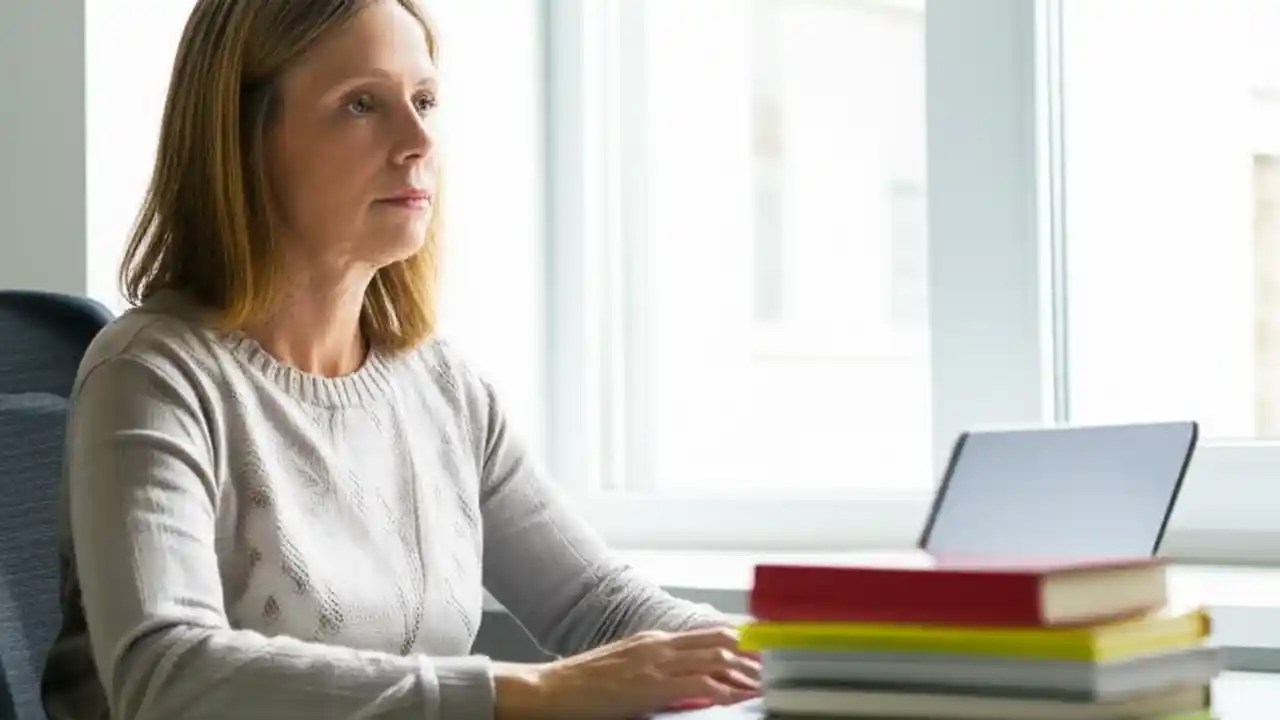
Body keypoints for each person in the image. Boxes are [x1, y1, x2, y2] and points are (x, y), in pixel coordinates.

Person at [38, 1, 761, 718]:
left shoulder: (441, 386)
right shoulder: (150, 375)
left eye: (424, 101)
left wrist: (815, 659)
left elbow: (599, 607)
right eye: (361, 105)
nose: (418, 140)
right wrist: (537, 690)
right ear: (243, 139)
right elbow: (167, 674)